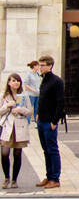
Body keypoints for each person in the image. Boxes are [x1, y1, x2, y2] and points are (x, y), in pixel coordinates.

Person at [35, 54, 66, 190]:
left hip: (49, 121)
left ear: (50, 66)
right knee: (45, 150)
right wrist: (37, 113)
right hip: (41, 120)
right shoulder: (44, 80)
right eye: (39, 65)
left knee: (52, 149)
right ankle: (49, 175)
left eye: (42, 65)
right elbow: (42, 99)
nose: (40, 68)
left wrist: (55, 120)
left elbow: (60, 102)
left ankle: (55, 178)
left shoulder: (56, 81)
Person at [0, 74, 32, 190]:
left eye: (18, 81)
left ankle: (14, 180)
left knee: (17, 154)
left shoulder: (24, 96)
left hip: (20, 127)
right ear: (9, 83)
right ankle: (6, 177)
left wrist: (21, 109)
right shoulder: (4, 97)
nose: (16, 83)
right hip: (7, 127)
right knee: (4, 153)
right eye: (13, 81)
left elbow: (30, 111)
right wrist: (7, 106)